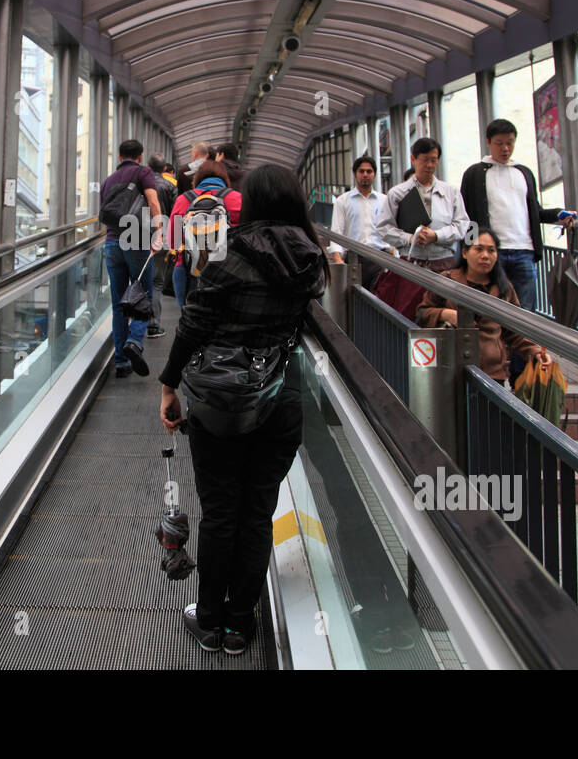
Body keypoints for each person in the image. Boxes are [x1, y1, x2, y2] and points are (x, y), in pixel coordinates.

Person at [158, 164, 327, 656]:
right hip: (278, 396)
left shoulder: (230, 249)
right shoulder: (312, 257)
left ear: (250, 203)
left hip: (220, 401)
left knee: (220, 511)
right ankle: (239, 625)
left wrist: (169, 385)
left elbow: (195, 323)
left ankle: (209, 620)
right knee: (257, 513)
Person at [460, 119, 576, 381]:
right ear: (489, 142)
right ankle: (492, 371)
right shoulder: (476, 173)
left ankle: (521, 376)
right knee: (491, 316)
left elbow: (533, 209)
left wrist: (558, 215)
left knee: (524, 318)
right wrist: (467, 253)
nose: (505, 148)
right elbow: (467, 215)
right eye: (499, 143)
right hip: (491, 255)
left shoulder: (523, 173)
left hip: (523, 250)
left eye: (510, 142)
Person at [416, 228, 549, 385]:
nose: (485, 256)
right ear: (465, 253)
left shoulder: (503, 288)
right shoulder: (447, 280)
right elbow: (421, 314)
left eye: (491, 251)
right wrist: (445, 314)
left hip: (492, 374)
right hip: (450, 370)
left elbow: (515, 331)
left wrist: (536, 352)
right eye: (479, 249)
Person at [100, 139, 163, 378]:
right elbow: (153, 201)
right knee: (143, 294)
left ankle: (121, 362)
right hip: (135, 240)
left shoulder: (108, 181)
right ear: (140, 156)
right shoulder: (143, 172)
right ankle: (135, 340)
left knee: (118, 304)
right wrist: (159, 231)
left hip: (111, 243)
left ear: (119, 157)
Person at [375, 137, 470, 270]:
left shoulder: (451, 192)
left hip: (444, 262)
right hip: (411, 262)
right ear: (413, 159)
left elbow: (462, 225)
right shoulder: (397, 193)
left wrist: (436, 236)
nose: (430, 165)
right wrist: (410, 238)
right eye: (425, 160)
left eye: (434, 160)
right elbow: (384, 229)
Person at [166, 159, 242, 307]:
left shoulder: (183, 200)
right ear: (224, 178)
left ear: (198, 178)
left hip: (188, 271)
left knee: (190, 320)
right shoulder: (237, 199)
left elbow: (173, 241)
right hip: (229, 270)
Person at [328, 155, 395, 286]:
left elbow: (391, 230)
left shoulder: (384, 201)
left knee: (379, 301)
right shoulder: (343, 201)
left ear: (374, 174)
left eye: (369, 171)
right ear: (354, 174)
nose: (365, 174)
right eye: (361, 171)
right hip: (354, 260)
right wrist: (337, 258)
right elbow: (336, 232)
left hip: (380, 259)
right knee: (355, 302)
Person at [147, 155, 180, 338]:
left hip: (137, 235)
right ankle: (153, 325)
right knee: (156, 282)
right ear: (164, 168)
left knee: (139, 280)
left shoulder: (141, 183)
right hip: (162, 237)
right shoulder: (170, 186)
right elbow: (176, 214)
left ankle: (135, 323)